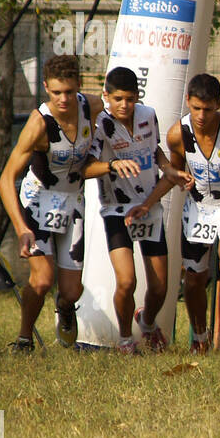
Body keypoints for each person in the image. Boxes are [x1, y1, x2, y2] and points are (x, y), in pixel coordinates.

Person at [133, 73, 220, 353]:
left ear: (218, 104)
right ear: (188, 102)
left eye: (208, 109)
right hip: (198, 210)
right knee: (193, 280)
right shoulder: (178, 134)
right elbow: (173, 174)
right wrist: (148, 202)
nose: (202, 115)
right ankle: (200, 339)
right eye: (196, 108)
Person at [0, 54, 104, 352]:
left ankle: (65, 308)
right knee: (42, 280)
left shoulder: (92, 107)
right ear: (46, 88)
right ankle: (24, 338)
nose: (64, 99)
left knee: (71, 290)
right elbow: (6, 180)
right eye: (56, 93)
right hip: (39, 200)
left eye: (69, 92)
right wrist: (21, 229)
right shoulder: (38, 124)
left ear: (79, 87)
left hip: (73, 200)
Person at [89, 66, 174, 354]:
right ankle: (126, 339)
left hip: (149, 206)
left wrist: (168, 169)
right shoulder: (100, 125)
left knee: (160, 287)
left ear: (138, 97)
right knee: (127, 281)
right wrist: (112, 165)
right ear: (107, 97)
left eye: (129, 99)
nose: (124, 105)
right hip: (117, 210)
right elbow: (85, 168)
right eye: (118, 99)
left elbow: (156, 150)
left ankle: (147, 322)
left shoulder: (148, 115)